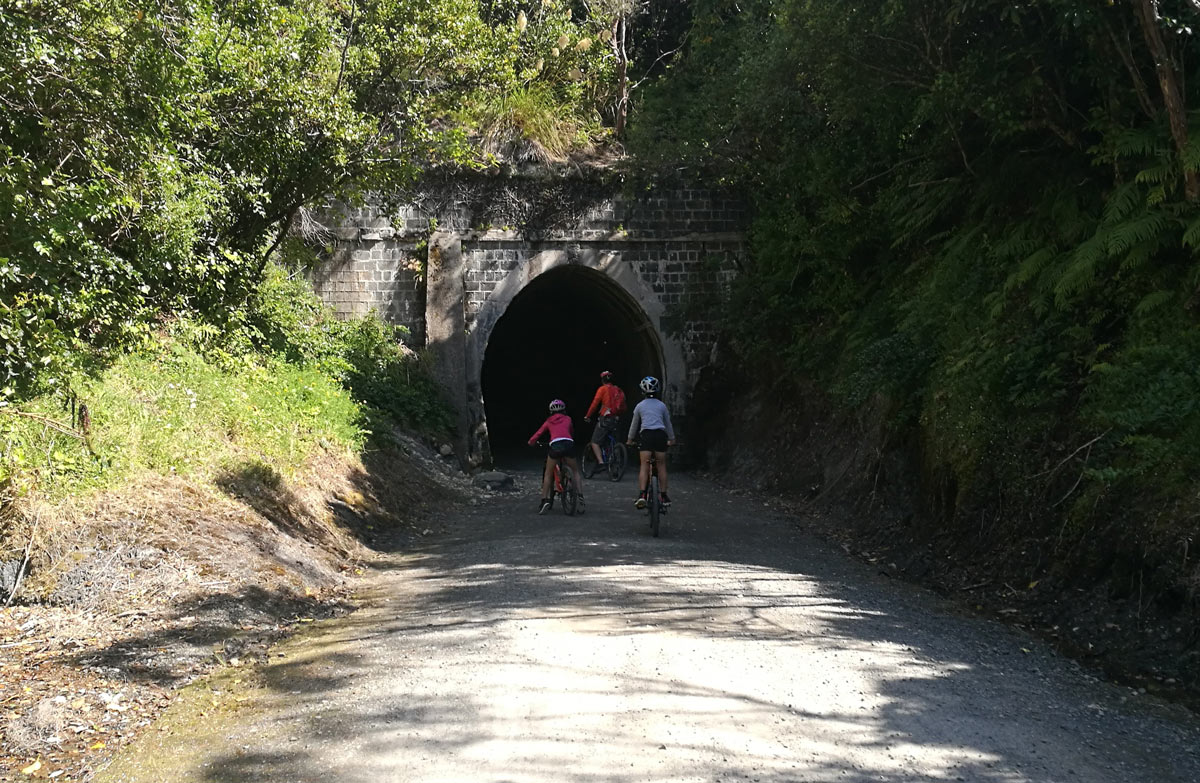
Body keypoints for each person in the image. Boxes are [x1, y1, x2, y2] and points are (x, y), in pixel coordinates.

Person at [528, 399, 585, 515]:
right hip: (568, 444)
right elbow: (571, 431)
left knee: (548, 474)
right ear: (564, 410)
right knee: (575, 471)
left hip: (555, 445)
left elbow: (538, 433)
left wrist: (531, 442)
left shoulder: (549, 421)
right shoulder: (568, 419)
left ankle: (544, 501)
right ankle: (580, 498)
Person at [626, 376, 675, 509]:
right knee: (662, 466)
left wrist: (630, 440)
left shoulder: (640, 406)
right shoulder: (662, 406)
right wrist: (672, 438)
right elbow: (668, 424)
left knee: (644, 465)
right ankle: (664, 495)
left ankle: (642, 495)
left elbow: (634, 425)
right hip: (660, 435)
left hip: (646, 436)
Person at [583, 370, 626, 469]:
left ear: (602, 380)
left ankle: (601, 462)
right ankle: (617, 463)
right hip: (617, 419)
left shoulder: (602, 389)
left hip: (605, 418)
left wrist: (587, 416)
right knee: (615, 440)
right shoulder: (618, 389)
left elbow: (595, 404)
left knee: (595, 441)